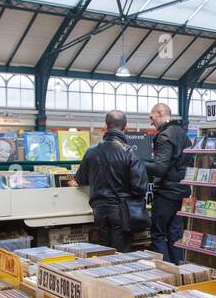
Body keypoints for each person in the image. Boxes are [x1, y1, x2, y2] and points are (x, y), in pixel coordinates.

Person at [75, 110, 148, 252]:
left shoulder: (91, 151)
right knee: (121, 254)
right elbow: (139, 187)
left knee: (104, 252)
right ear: (125, 127)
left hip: (99, 210)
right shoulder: (129, 152)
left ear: (105, 126)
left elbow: (81, 179)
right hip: (122, 211)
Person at [146, 102, 191, 263]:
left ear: (160, 113)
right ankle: (178, 269)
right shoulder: (183, 134)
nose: (151, 122)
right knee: (176, 235)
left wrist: (136, 163)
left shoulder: (165, 136)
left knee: (158, 234)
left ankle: (165, 272)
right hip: (182, 192)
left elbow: (159, 168)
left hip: (166, 193)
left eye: (152, 117)